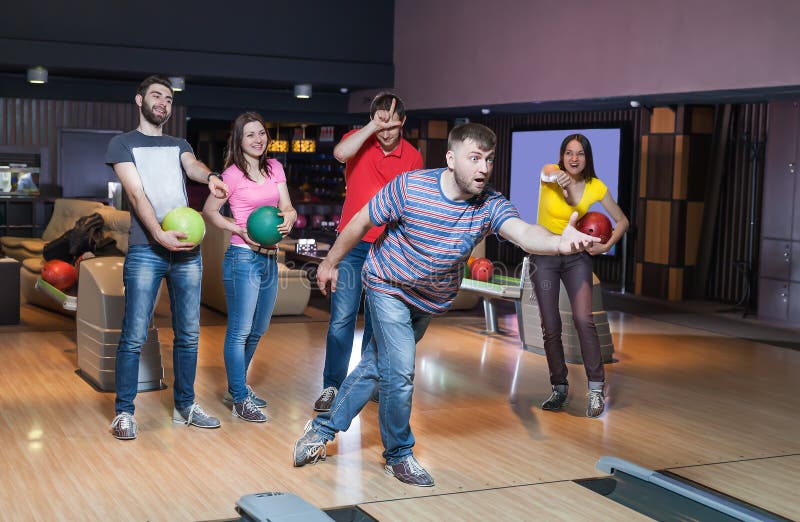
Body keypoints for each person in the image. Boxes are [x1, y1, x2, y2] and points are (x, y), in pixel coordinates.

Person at [293, 123, 599, 487]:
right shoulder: (411, 188)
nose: (484, 168)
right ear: (451, 159)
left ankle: (319, 431)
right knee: (401, 370)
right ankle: (399, 454)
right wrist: (329, 263)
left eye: (488, 159)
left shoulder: (489, 204)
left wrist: (557, 244)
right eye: (474, 158)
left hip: (430, 298)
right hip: (387, 284)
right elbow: (361, 221)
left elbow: (523, 232)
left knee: (377, 366)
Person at [106, 75, 229, 440]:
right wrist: (157, 233)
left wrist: (211, 178)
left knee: (189, 335)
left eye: (169, 99)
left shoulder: (179, 144)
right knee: (133, 335)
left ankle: (186, 405)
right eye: (156, 96)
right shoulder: (122, 144)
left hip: (187, 252)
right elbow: (136, 192)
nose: (164, 103)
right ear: (139, 99)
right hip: (147, 249)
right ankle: (124, 413)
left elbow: (192, 167)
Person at [313, 93, 423, 412]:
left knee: (377, 323)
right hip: (350, 246)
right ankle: (331, 386)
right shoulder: (358, 141)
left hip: (387, 250)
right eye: (379, 123)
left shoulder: (413, 157)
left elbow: (410, 203)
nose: (385, 131)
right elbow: (339, 153)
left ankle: (367, 383)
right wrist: (371, 127)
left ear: (402, 122)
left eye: (390, 124)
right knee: (341, 320)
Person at [202, 112, 297, 423]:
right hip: (242, 257)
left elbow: (285, 204)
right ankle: (240, 397)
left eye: (261, 133)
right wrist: (236, 227)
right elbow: (209, 211)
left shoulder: (275, 167)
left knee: (259, 329)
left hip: (270, 257)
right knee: (240, 330)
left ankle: (236, 386)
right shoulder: (230, 175)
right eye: (250, 135)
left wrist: (290, 214)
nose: (258, 139)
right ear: (239, 141)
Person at [533, 134, 629, 418]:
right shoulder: (550, 173)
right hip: (545, 255)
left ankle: (596, 390)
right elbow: (545, 171)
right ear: (561, 156)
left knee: (584, 319)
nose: (574, 158)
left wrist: (607, 244)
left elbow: (623, 220)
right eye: (569, 153)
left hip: (577, 259)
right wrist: (557, 177)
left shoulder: (595, 186)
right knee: (550, 325)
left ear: (588, 158)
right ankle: (559, 388)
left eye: (580, 154)